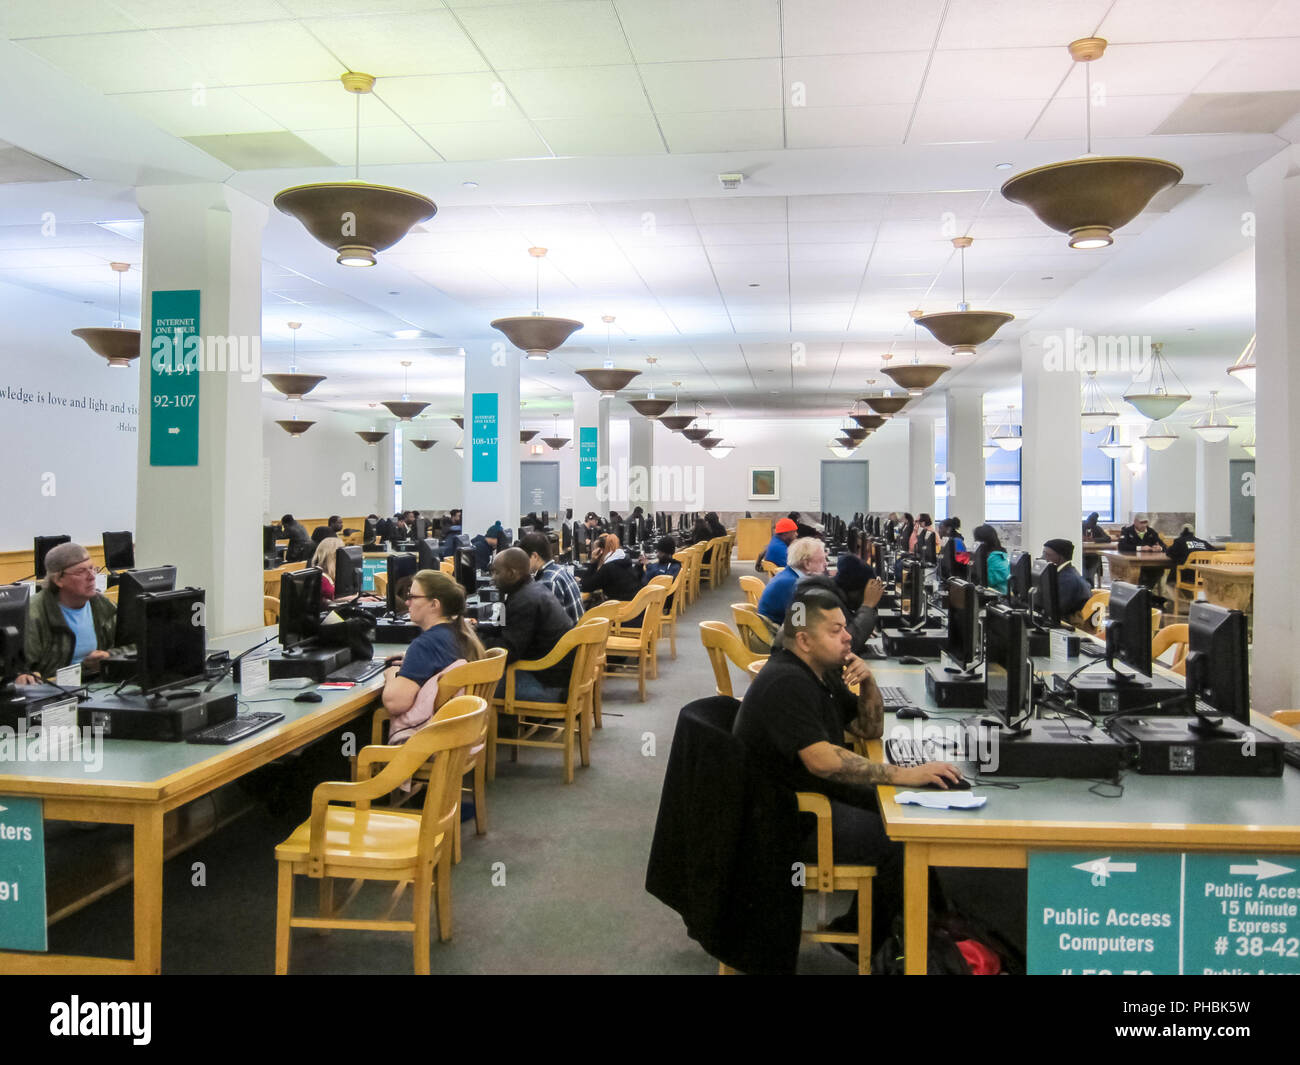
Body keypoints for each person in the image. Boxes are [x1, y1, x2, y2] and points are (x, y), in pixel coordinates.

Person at [733, 583, 961, 957]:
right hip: (785, 822)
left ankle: (926, 931)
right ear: (804, 640)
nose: (847, 637)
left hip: (804, 802)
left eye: (845, 628)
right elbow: (821, 761)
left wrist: (869, 681)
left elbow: (869, 729)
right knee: (901, 837)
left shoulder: (818, 673)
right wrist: (905, 774)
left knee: (898, 811)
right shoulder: (787, 682)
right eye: (836, 631)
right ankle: (877, 944)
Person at [381, 569, 485, 731]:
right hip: (459, 735)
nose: (407, 602)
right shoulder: (459, 633)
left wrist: (392, 672)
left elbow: (395, 703)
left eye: (413, 597)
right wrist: (412, 661)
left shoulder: (426, 645)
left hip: (428, 743)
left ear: (434, 604)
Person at [482, 547, 576, 703]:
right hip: (556, 677)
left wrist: (474, 642)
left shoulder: (523, 601)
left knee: (476, 689)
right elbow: (504, 626)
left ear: (512, 574)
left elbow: (507, 653)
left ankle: (504, 726)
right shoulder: (533, 589)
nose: (492, 579)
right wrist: (475, 628)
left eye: (496, 573)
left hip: (548, 686)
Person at [21, 542, 117, 682]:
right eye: (81, 571)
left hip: (98, 684)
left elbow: (133, 644)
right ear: (58, 579)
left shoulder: (103, 605)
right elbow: (20, 668)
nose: (91, 576)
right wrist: (24, 676)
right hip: (54, 692)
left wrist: (110, 656)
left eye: (92, 569)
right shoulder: (34, 613)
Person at [758, 537, 827, 625]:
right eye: (821, 560)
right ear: (806, 564)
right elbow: (799, 624)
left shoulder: (788, 576)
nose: (826, 563)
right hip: (778, 636)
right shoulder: (793, 585)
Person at [520, 531, 585, 626]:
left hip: (567, 639)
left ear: (534, 556)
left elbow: (550, 626)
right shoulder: (561, 570)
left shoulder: (548, 582)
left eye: (524, 558)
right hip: (577, 634)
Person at [581, 533, 641, 603]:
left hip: (622, 610)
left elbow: (585, 587)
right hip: (635, 606)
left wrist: (593, 562)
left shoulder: (608, 568)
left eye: (594, 549)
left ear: (600, 551)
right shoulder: (624, 560)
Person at [1042, 538, 1092, 617]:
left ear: (1060, 557)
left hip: (1068, 623)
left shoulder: (1068, 580)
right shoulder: (1065, 572)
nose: (1043, 558)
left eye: (1047, 555)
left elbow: (1057, 610)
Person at [641, 535, 684, 613]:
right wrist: (647, 564)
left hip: (661, 599)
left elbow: (663, 578)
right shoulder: (663, 564)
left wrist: (648, 566)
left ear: (665, 553)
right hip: (654, 595)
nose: (657, 554)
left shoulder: (673, 566)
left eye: (659, 552)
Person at [972, 524, 1010, 594]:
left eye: (976, 541)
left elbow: (988, 582)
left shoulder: (995, 557)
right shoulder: (989, 555)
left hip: (999, 597)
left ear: (983, 542)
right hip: (990, 595)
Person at [1080, 512, 1111, 586]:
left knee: (1092, 562)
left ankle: (1089, 584)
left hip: (1093, 554)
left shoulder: (1096, 528)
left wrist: (1094, 540)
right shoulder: (1080, 526)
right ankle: (1088, 583)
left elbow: (1107, 538)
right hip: (1081, 554)